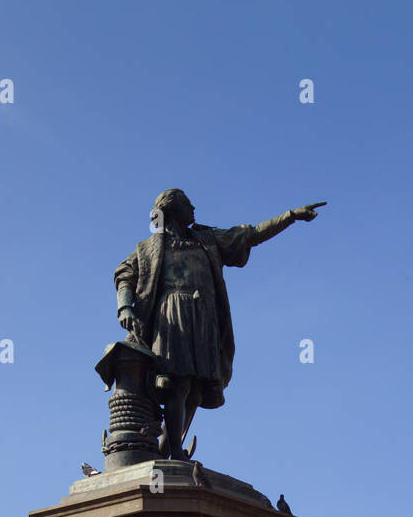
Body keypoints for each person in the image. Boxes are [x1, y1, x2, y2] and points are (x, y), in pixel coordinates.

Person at [113, 188, 324, 457]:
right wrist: (125, 307)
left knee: (197, 390)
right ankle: (174, 451)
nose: (194, 208)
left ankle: (166, 449)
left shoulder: (207, 240)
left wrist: (290, 216)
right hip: (172, 314)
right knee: (178, 383)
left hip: (204, 317)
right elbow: (125, 274)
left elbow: (250, 234)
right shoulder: (149, 248)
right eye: (188, 204)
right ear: (172, 209)